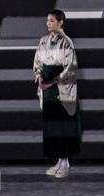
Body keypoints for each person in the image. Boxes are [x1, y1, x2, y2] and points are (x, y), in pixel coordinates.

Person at [33, 10, 82, 178]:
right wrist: (39, 75)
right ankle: (58, 161)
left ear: (61, 22)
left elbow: (71, 67)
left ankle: (65, 162)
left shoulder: (67, 42)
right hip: (47, 87)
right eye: (47, 21)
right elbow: (37, 62)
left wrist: (56, 78)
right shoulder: (43, 41)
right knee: (52, 125)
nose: (48, 24)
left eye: (52, 21)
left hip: (61, 88)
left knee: (63, 126)